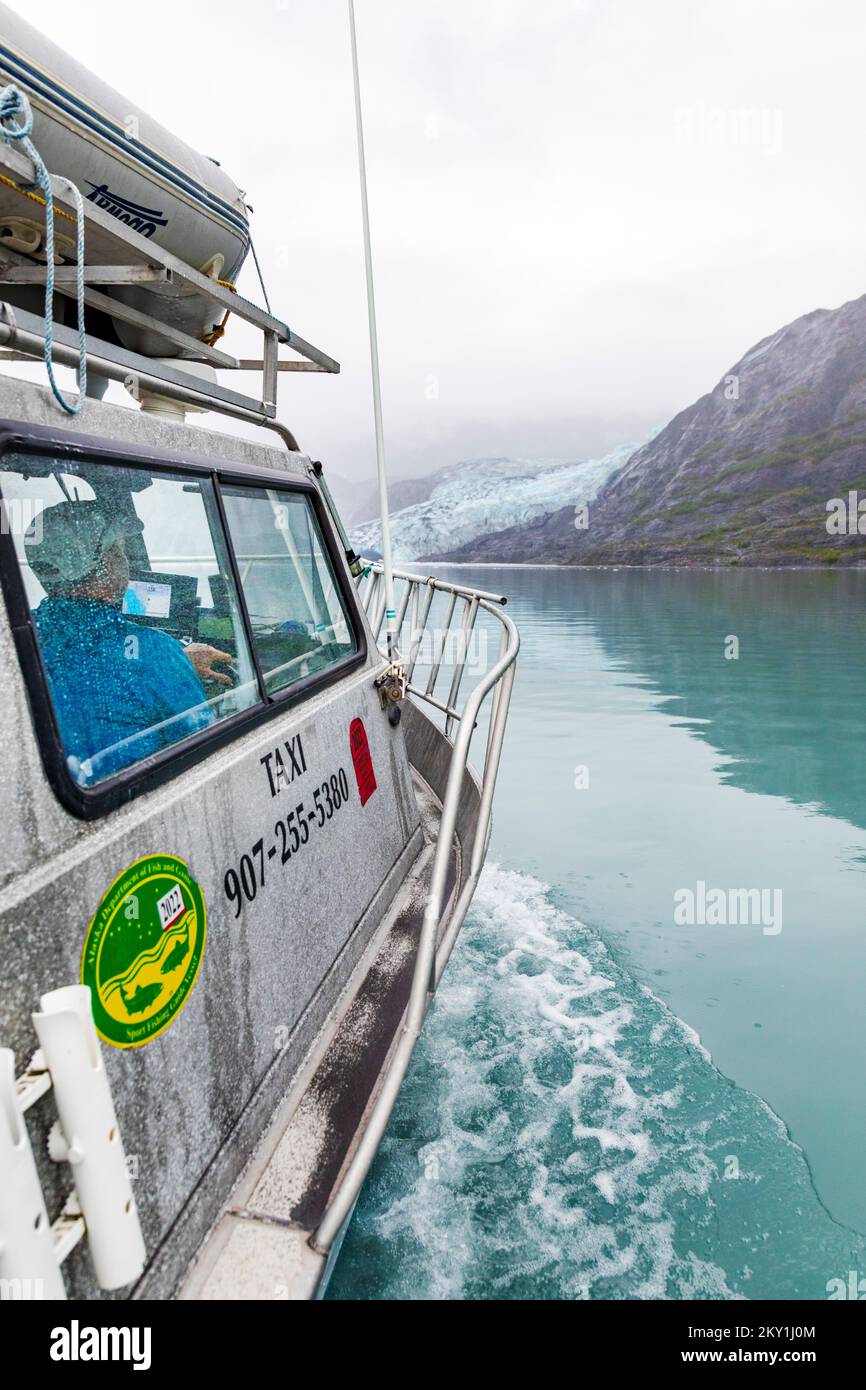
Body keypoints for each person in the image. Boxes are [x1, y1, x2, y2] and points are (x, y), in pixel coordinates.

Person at [25, 500, 234, 784]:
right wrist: (173, 665)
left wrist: (177, 663)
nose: (126, 562)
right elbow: (207, 750)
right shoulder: (154, 652)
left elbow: (84, 667)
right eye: (120, 552)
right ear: (104, 567)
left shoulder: (20, 638)